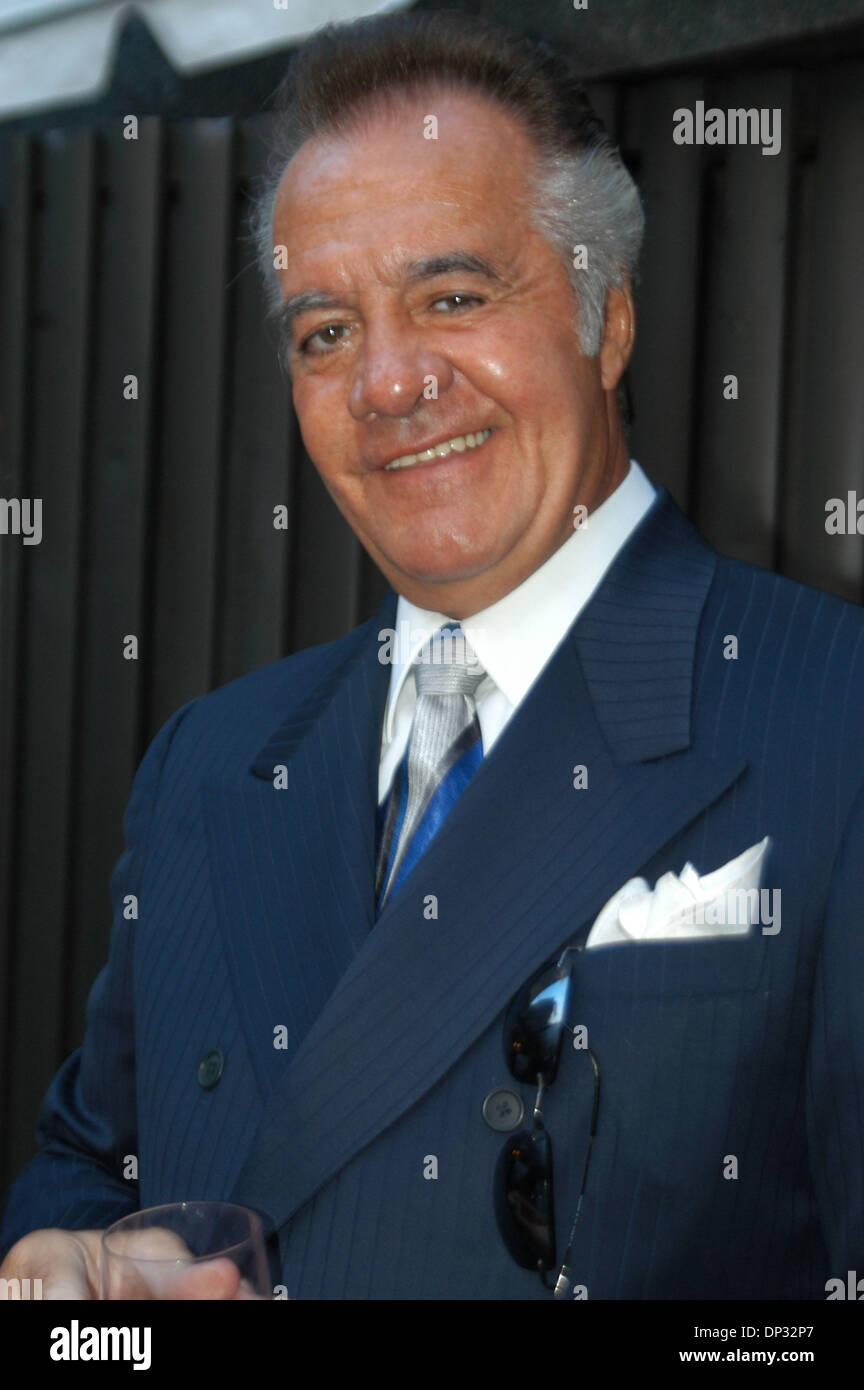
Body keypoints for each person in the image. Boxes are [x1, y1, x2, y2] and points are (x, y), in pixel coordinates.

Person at [1, 10, 863, 1301]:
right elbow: (90, 1159)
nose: (389, 383)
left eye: (452, 296)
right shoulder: (210, 765)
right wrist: (67, 1284)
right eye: (325, 331)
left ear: (607, 318)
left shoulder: (830, 718)